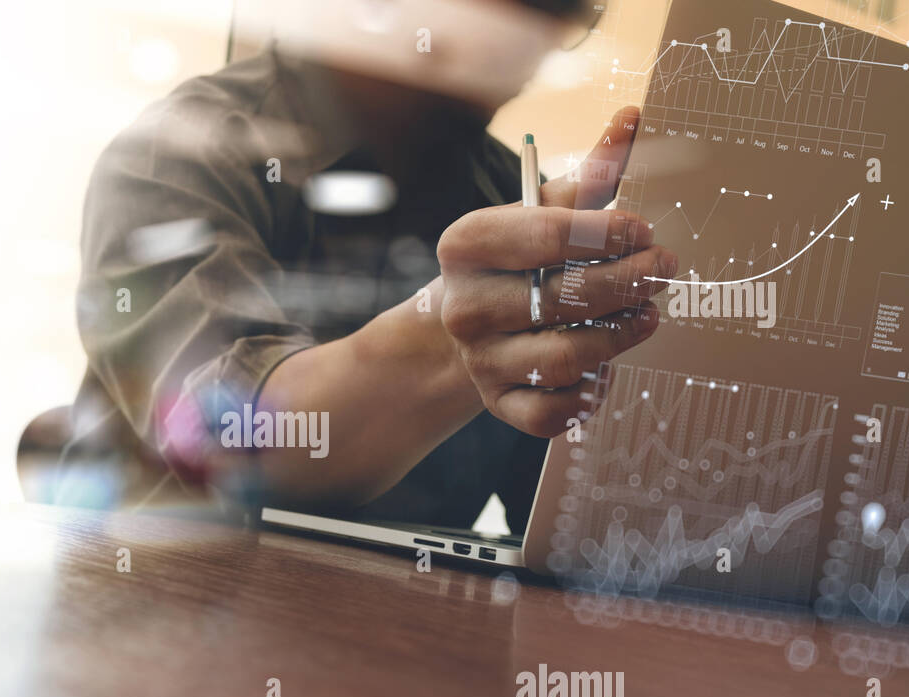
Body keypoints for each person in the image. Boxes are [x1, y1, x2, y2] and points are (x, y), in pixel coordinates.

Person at [55, 0, 678, 534]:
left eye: (562, 14)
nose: (529, 50)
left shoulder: (511, 204)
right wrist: (455, 342)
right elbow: (230, 440)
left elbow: (559, 514)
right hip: (160, 624)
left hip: (405, 645)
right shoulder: (179, 155)